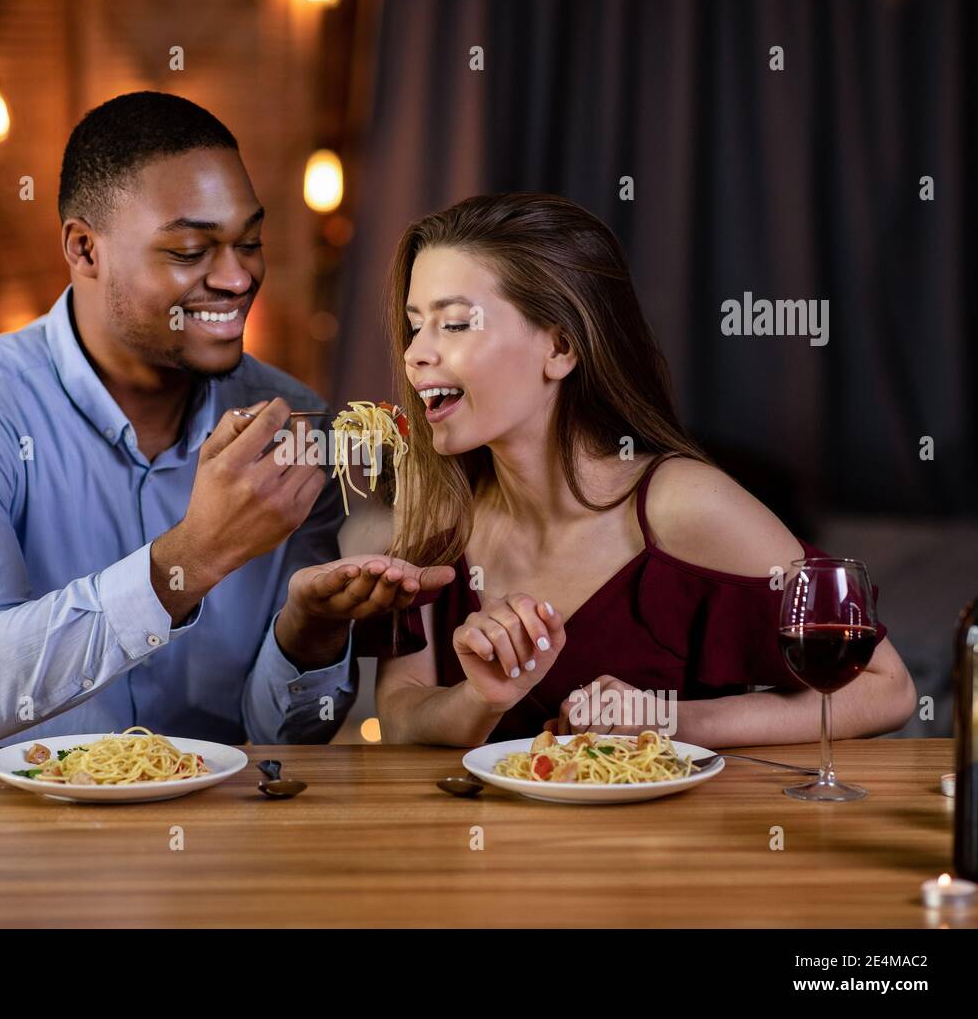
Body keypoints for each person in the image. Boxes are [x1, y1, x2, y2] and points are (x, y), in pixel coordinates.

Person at [0, 91, 453, 748]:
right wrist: (194, 556)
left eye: (250, 242)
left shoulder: (293, 426)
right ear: (84, 249)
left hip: (215, 837)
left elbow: (288, 740)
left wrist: (310, 630)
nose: (238, 278)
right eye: (190, 251)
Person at [369, 192, 916, 747]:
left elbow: (888, 688)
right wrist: (479, 698)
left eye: (456, 324)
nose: (415, 353)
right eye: (416, 325)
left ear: (560, 347)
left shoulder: (684, 504)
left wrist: (672, 722)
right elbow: (400, 716)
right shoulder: (437, 502)